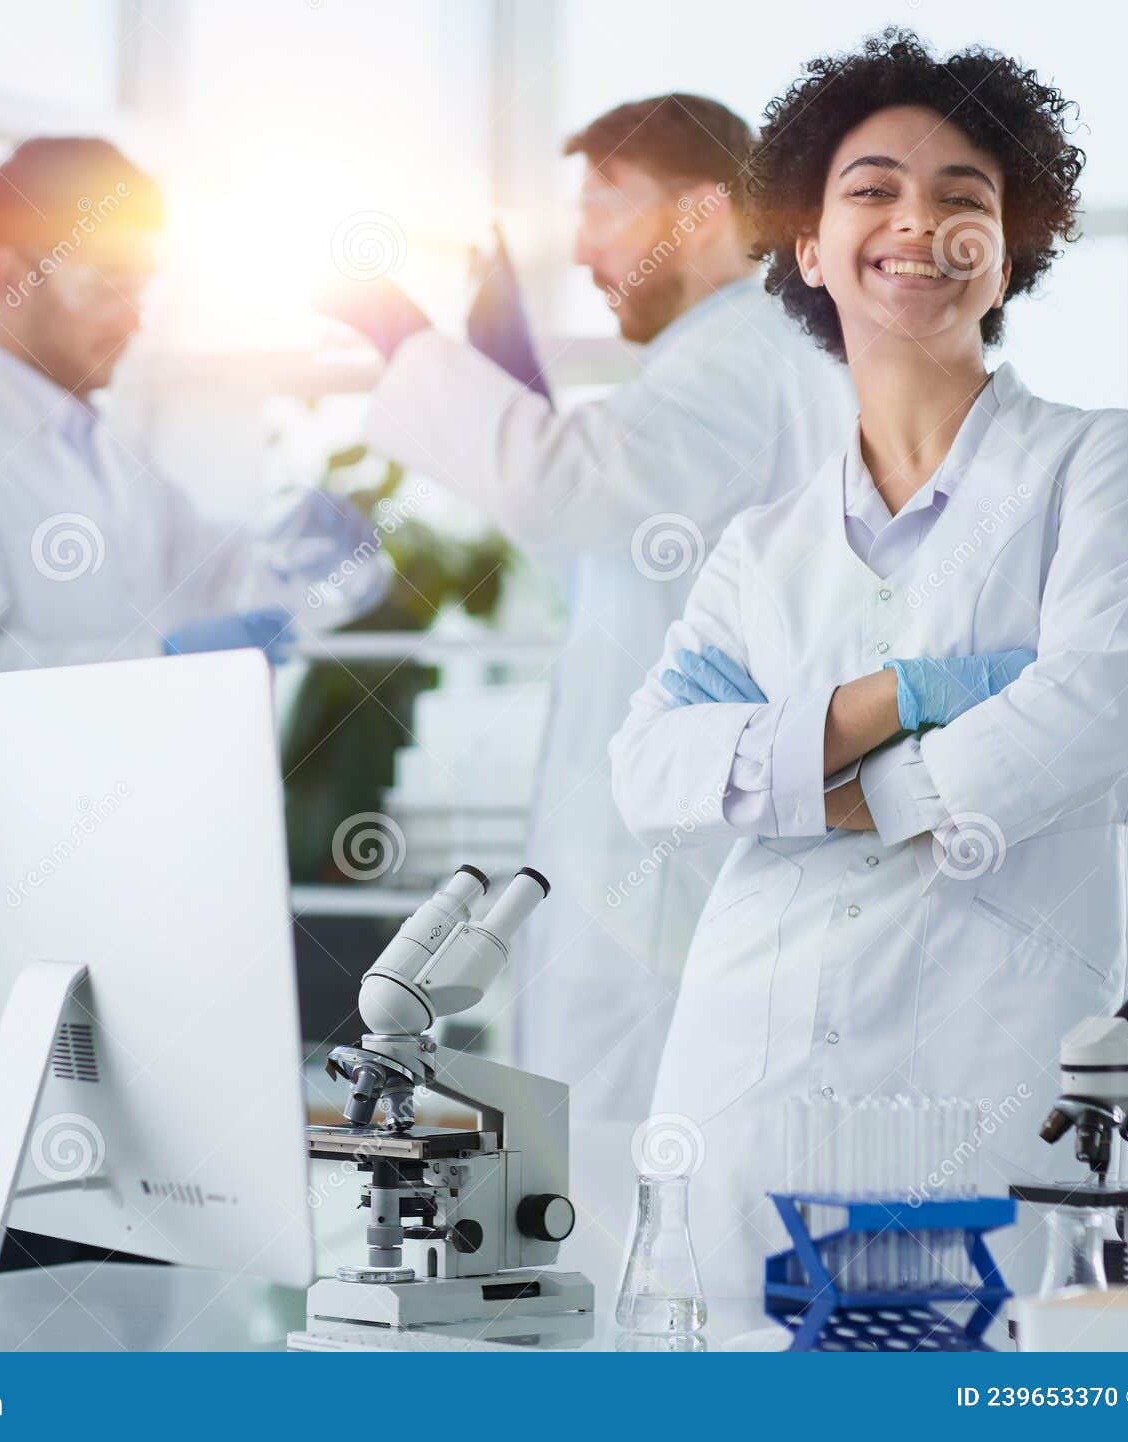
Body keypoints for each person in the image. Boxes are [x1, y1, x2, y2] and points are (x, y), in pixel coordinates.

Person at [609, 30, 1128, 1301]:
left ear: (1007, 248)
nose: (914, 222)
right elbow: (648, 766)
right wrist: (903, 701)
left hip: (979, 1065)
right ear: (808, 246)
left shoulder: (1097, 464)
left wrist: (816, 784)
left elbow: (1091, 705)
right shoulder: (762, 545)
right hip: (747, 1062)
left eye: (962, 197)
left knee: (970, 1365)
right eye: (870, 189)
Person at [0, 138, 388, 1192]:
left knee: (157, 1320)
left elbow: (236, 583)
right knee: (33, 1311)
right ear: (17, 271)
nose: (133, 316)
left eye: (145, 286)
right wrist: (156, 657)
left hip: (147, 952)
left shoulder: (111, 462)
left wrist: (338, 561)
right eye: (110, 284)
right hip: (15, 968)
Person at [323, 96, 853, 1121]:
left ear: (700, 213)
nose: (580, 245)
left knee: (623, 1157)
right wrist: (500, 379)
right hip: (687, 842)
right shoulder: (748, 357)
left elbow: (571, 485)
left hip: (670, 868)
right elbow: (602, 542)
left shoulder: (735, 362)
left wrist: (403, 336)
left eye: (606, 205)